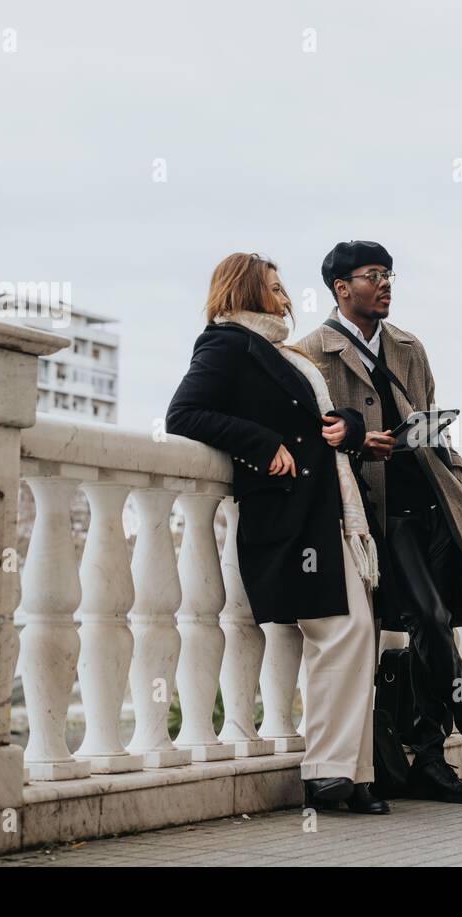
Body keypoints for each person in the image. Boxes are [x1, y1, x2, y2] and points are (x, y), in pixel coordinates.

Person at [166, 252, 388, 814]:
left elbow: (318, 422)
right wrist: (262, 445)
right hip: (288, 518)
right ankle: (329, 771)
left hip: (326, 510)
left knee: (358, 634)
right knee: (342, 632)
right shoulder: (224, 344)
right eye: (274, 285)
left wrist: (351, 426)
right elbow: (184, 415)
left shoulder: (280, 352)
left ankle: (353, 773)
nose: (285, 295)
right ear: (247, 290)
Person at [297, 239, 462, 805]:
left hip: (436, 503)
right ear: (342, 288)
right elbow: (314, 437)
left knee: (428, 630)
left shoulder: (409, 347)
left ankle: (432, 759)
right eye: (373, 276)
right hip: (381, 515)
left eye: (389, 274)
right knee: (432, 620)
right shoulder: (311, 353)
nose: (386, 284)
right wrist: (364, 445)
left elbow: (435, 424)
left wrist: (455, 471)